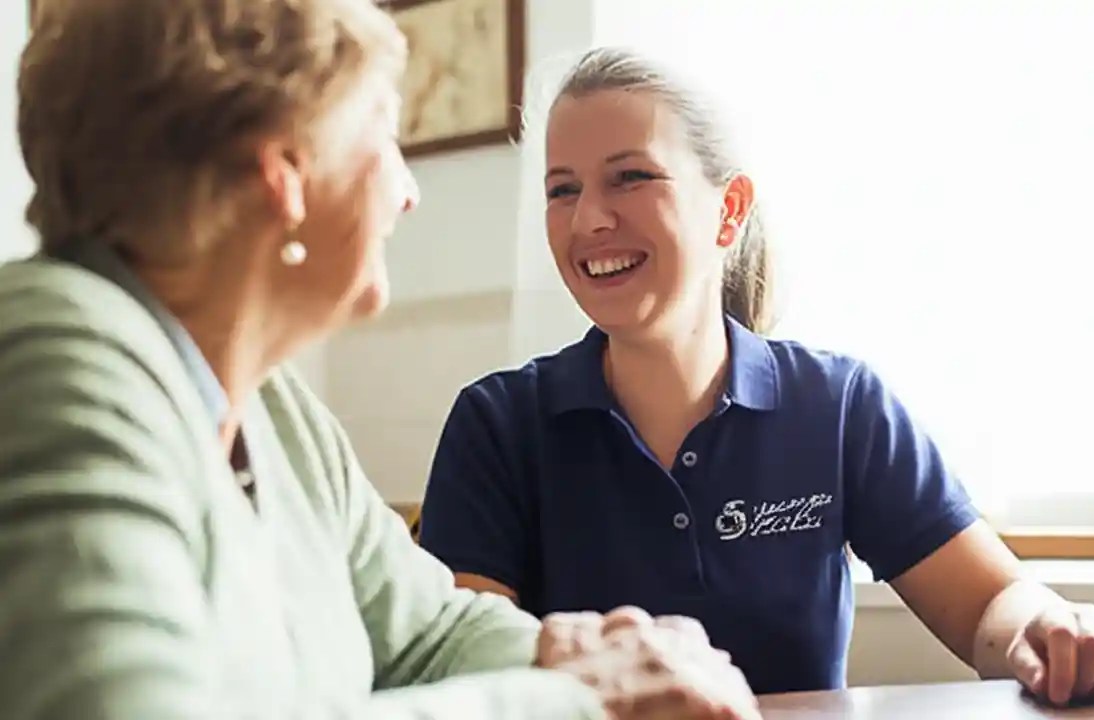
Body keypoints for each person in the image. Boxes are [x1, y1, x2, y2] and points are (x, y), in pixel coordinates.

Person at [0, 3, 761, 719]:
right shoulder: (52, 357)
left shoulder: (276, 410)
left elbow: (427, 635)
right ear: (286, 178)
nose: (407, 193)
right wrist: (571, 698)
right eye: (383, 135)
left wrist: (599, 654)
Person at [418, 46, 1094, 706]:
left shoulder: (837, 406)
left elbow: (993, 611)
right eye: (562, 190)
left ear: (729, 210)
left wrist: (1054, 629)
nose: (588, 222)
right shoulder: (497, 424)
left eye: (630, 177)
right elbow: (471, 679)